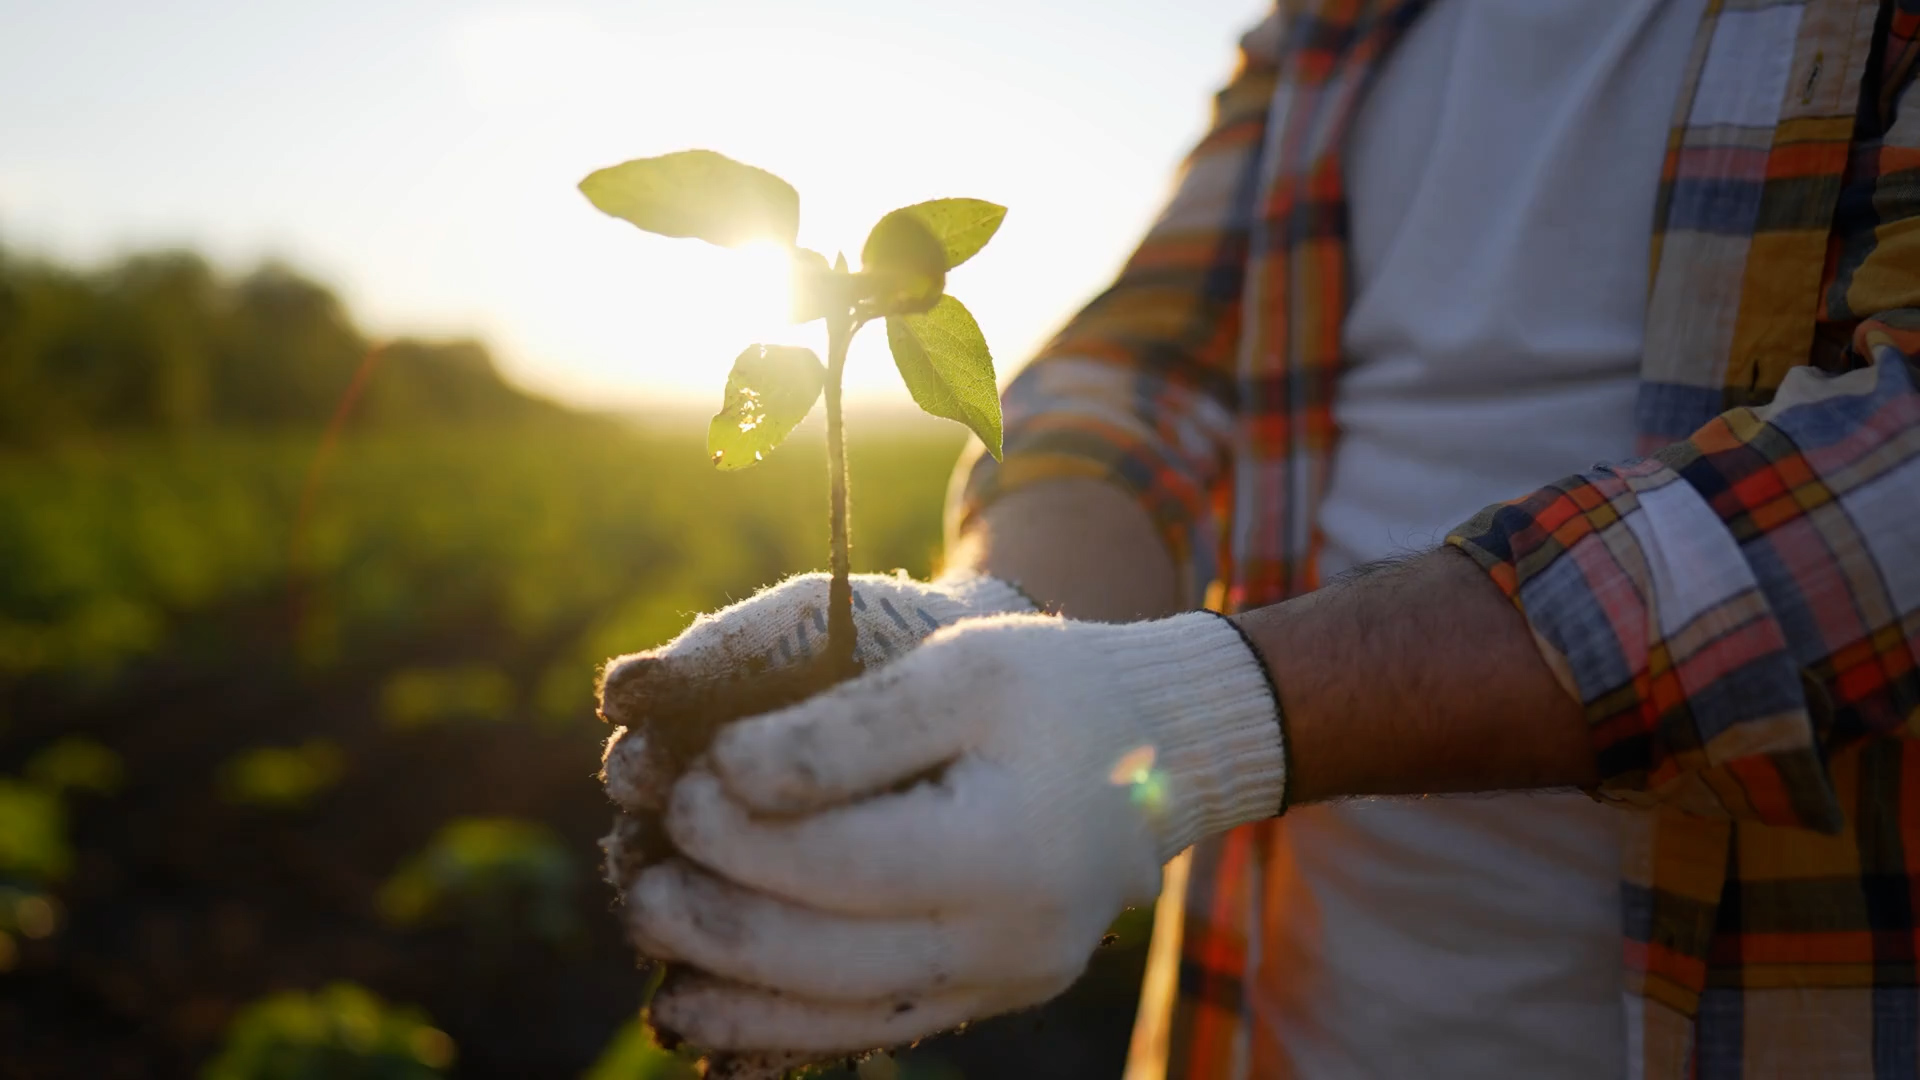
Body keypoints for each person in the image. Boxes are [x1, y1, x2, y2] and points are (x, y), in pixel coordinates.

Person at [596, 1, 1920, 1075]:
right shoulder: (1337, 25)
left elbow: (1887, 486)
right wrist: (989, 623)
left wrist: (1198, 713)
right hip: (1278, 1020)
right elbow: (1143, 373)